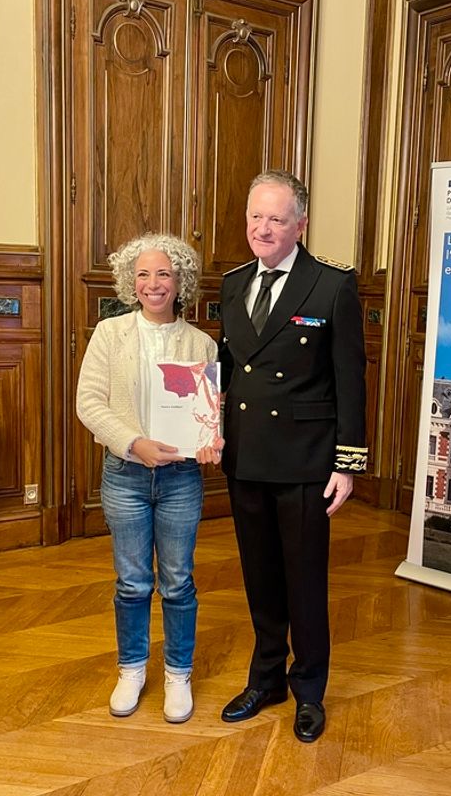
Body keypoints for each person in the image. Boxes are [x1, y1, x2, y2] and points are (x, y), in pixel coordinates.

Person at [217, 170, 368, 743]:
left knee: (305, 581)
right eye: (255, 216)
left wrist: (347, 464)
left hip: (307, 461)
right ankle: (266, 679)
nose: (262, 228)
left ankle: (308, 689)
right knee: (260, 578)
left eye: (276, 218)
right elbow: (228, 371)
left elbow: (349, 381)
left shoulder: (331, 286)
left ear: (300, 225)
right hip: (248, 456)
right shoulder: (233, 285)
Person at [76, 233, 222, 724]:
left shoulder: (201, 343)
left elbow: (209, 413)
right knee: (133, 582)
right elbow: (88, 403)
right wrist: (133, 443)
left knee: (179, 582)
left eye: (163, 273)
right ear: (130, 282)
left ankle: (178, 672)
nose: (153, 283)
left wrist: (210, 438)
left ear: (179, 280)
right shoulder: (109, 333)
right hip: (125, 475)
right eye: (143, 274)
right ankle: (132, 668)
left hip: (181, 478)